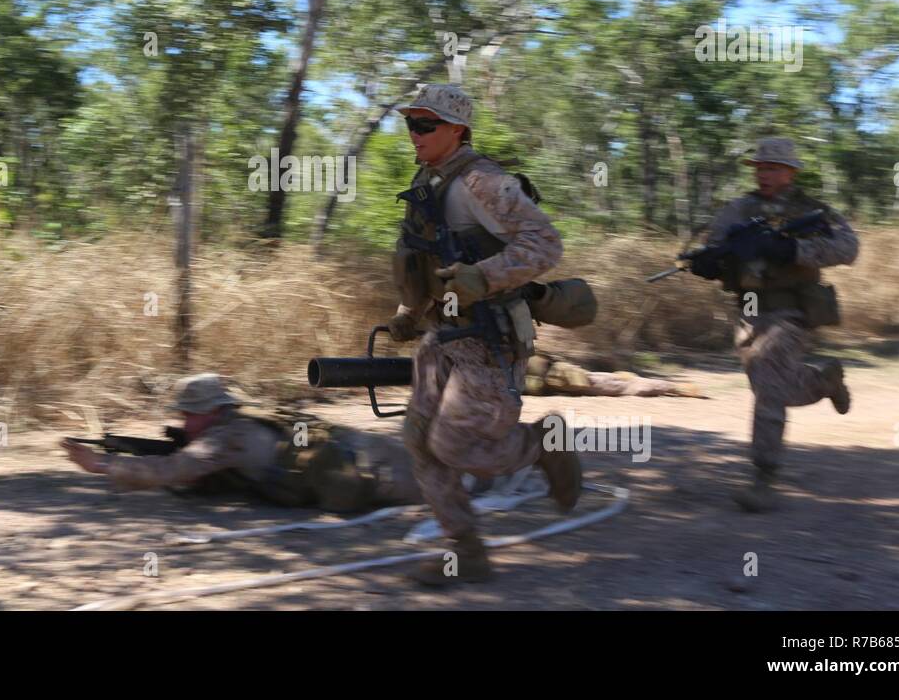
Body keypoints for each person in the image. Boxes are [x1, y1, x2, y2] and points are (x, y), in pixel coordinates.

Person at [387, 83, 581, 586]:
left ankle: (543, 445)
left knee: (453, 445)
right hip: (442, 335)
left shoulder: (482, 182)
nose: (415, 133)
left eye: (426, 124)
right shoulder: (427, 181)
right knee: (419, 440)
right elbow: (422, 261)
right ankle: (465, 547)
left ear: (457, 129)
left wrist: (486, 276)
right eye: (411, 123)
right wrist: (408, 312)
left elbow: (546, 242)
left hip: (488, 338)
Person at [689, 138, 859, 512]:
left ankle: (763, 478)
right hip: (750, 311)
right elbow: (714, 247)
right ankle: (823, 381)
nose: (765, 173)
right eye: (760, 167)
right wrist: (705, 263)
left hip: (793, 310)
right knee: (770, 384)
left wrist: (795, 250)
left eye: (773, 167)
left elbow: (848, 248)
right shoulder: (739, 210)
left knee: (768, 384)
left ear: (790, 172)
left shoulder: (812, 210)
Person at [62, 372, 423, 513]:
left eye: (189, 414)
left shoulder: (227, 437)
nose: (183, 422)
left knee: (453, 487)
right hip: (374, 451)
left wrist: (102, 465)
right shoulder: (247, 417)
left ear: (213, 411)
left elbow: (175, 469)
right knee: (448, 471)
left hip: (379, 476)